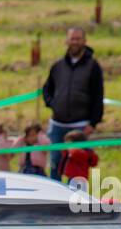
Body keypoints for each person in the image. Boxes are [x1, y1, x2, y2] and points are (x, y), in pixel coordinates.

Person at [41, 27, 104, 179]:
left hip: (80, 125)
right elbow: (47, 89)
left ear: (84, 41)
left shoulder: (93, 66)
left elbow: (98, 96)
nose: (75, 42)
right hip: (57, 125)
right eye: (72, 39)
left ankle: (76, 200)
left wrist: (93, 123)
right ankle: (54, 199)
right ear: (67, 41)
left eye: (78, 39)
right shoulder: (58, 66)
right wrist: (53, 103)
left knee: (77, 167)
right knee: (56, 163)